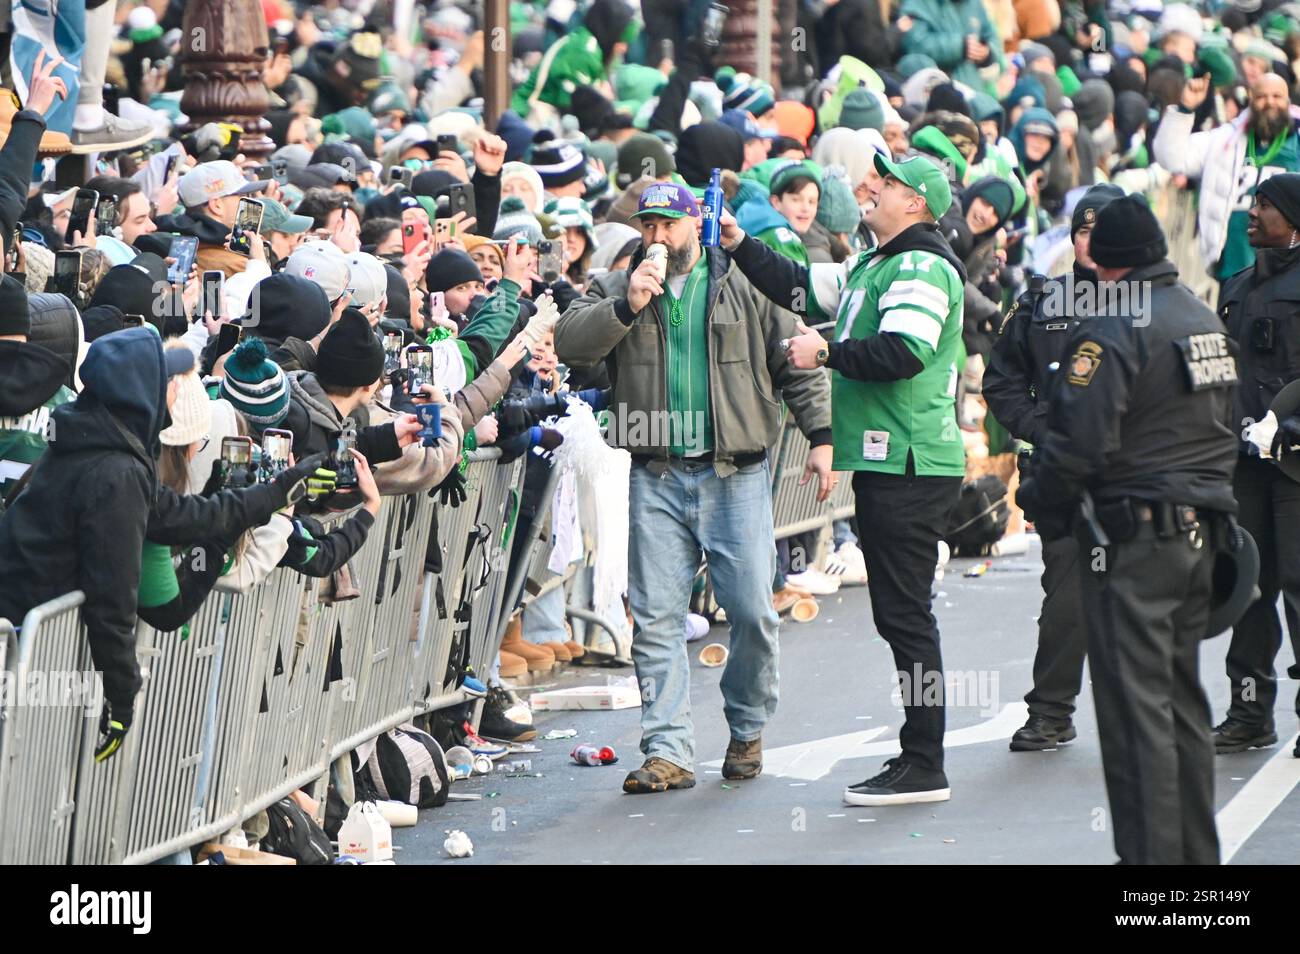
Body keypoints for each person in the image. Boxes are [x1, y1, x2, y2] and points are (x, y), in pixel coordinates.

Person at [555, 181, 833, 794]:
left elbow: (794, 359)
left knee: (754, 614)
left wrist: (821, 437)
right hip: (656, 471)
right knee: (655, 619)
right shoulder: (619, 283)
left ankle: (747, 725)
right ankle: (668, 750)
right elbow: (569, 344)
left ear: (696, 225)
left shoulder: (744, 279)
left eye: (669, 226)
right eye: (648, 226)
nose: (657, 237)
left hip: (735, 470)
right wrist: (625, 306)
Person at [722, 153, 966, 806]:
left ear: (915, 202)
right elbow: (798, 288)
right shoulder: (875, 262)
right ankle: (921, 752)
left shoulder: (920, 264)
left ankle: (926, 760)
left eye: (884, 184)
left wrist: (825, 351)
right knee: (900, 618)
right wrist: (739, 244)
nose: (869, 189)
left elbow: (903, 351)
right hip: (892, 465)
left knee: (908, 619)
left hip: (912, 465)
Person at [1016, 194, 1239, 865]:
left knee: (1134, 721)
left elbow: (1078, 445)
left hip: (1134, 541)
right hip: (1202, 536)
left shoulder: (1111, 329)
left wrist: (1040, 501)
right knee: (1181, 712)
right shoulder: (1202, 320)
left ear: (1108, 264)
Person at [0, 328, 323, 762]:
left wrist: (277, 491)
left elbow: (185, 517)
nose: (176, 390)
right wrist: (122, 693)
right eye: (167, 380)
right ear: (139, 393)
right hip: (25, 650)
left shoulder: (106, 447)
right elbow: (112, 595)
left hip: (29, 643)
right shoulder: (115, 471)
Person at [983, 182, 1123, 750]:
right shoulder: (1043, 300)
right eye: (1081, 230)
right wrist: (1045, 429)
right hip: (1062, 475)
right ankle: (1051, 712)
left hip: (1133, 474)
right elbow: (1003, 380)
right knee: (1066, 595)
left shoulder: (1153, 301)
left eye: (1100, 230)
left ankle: (1144, 715)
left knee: (1140, 599)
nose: (1088, 242)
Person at [1213, 172, 1300, 757]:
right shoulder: (1238, 286)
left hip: (1296, 465)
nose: (1253, 213)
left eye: (1265, 205)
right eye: (1252, 201)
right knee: (1247, 588)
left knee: (1299, 589)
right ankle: (1248, 713)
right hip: (1245, 463)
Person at [1154, 73, 1300, 279]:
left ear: (1288, 101)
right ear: (1250, 100)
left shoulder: (1297, 143)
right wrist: (1185, 109)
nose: (1269, 102)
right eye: (1261, 96)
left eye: (1277, 96)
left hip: (1289, 270)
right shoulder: (1225, 140)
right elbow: (1172, 158)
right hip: (1235, 268)